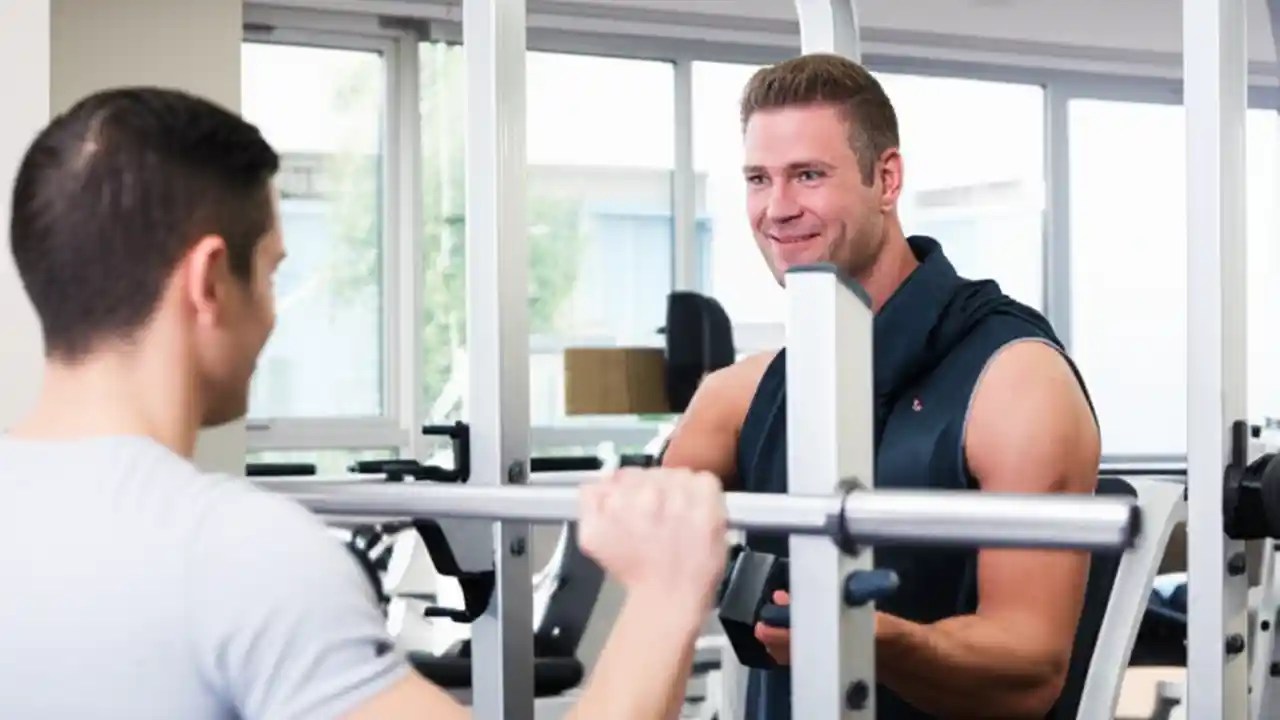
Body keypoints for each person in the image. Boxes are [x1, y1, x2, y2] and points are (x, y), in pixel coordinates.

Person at [0, 86, 730, 720]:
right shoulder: (238, 554)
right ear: (211, 281)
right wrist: (665, 594)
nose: (273, 316)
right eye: (272, 275)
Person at [661, 54, 1102, 719]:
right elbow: (644, 576)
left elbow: (1029, 672)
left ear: (886, 179)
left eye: (808, 175)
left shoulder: (1016, 383)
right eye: (758, 179)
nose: (778, 209)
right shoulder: (737, 395)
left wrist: (862, 635)